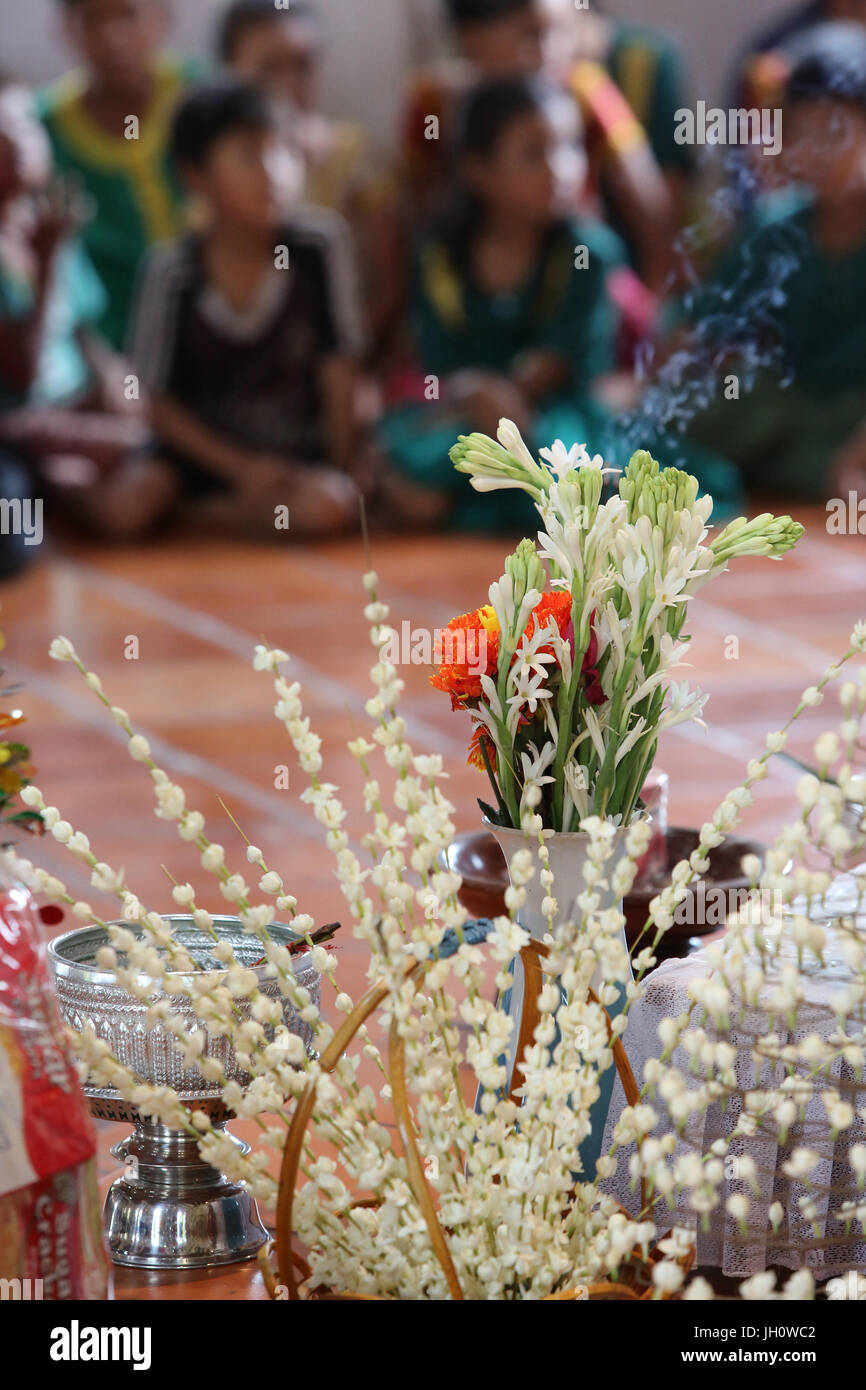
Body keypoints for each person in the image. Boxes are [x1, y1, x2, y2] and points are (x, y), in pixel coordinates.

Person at [379, 75, 624, 530]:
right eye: (535, 153)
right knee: (420, 452)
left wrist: (506, 402)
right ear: (479, 171)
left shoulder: (589, 250)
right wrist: (474, 395)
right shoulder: (440, 255)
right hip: (465, 409)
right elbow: (439, 361)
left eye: (571, 147)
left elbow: (560, 358)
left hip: (552, 410)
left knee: (569, 472)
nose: (563, 168)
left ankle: (475, 502)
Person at [129, 79, 365, 538]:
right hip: (205, 460)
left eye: (284, 152)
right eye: (250, 155)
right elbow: (152, 399)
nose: (274, 172)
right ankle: (208, 504)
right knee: (127, 507)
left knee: (328, 504)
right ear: (195, 175)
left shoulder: (318, 247)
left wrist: (343, 463)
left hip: (295, 460)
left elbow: (340, 365)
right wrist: (240, 468)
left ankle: (207, 517)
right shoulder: (171, 271)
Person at [680, 22, 866, 501]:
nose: (815, 153)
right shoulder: (775, 225)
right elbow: (704, 326)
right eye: (801, 133)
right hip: (781, 410)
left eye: (834, 132)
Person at [399, 0, 676, 295]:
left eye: (560, 33)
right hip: (472, 293)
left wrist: (654, 306)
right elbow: (415, 212)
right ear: (468, 37)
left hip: (573, 286)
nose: (553, 51)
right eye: (533, 35)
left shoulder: (583, 92)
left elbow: (651, 210)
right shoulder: (435, 107)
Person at [0, 84, 164, 546]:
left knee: (143, 439)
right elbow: (21, 372)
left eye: (29, 125)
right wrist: (45, 264)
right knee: (15, 536)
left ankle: (63, 476)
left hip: (66, 404)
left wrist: (113, 375)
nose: (23, 143)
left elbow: (82, 327)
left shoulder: (49, 225)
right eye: (6, 130)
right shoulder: (44, 244)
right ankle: (47, 471)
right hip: (20, 413)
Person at [216, 0, 397, 354]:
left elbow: (389, 282)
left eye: (303, 66)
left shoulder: (352, 157)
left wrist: (345, 358)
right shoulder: (217, 171)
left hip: (349, 351)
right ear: (229, 73)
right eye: (269, 68)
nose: (288, 83)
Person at [37, 0, 203, 349]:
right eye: (92, 19)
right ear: (66, 29)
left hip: (217, 325)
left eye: (127, 14)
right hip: (111, 342)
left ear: (161, 17)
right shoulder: (44, 130)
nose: (112, 36)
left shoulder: (201, 95)